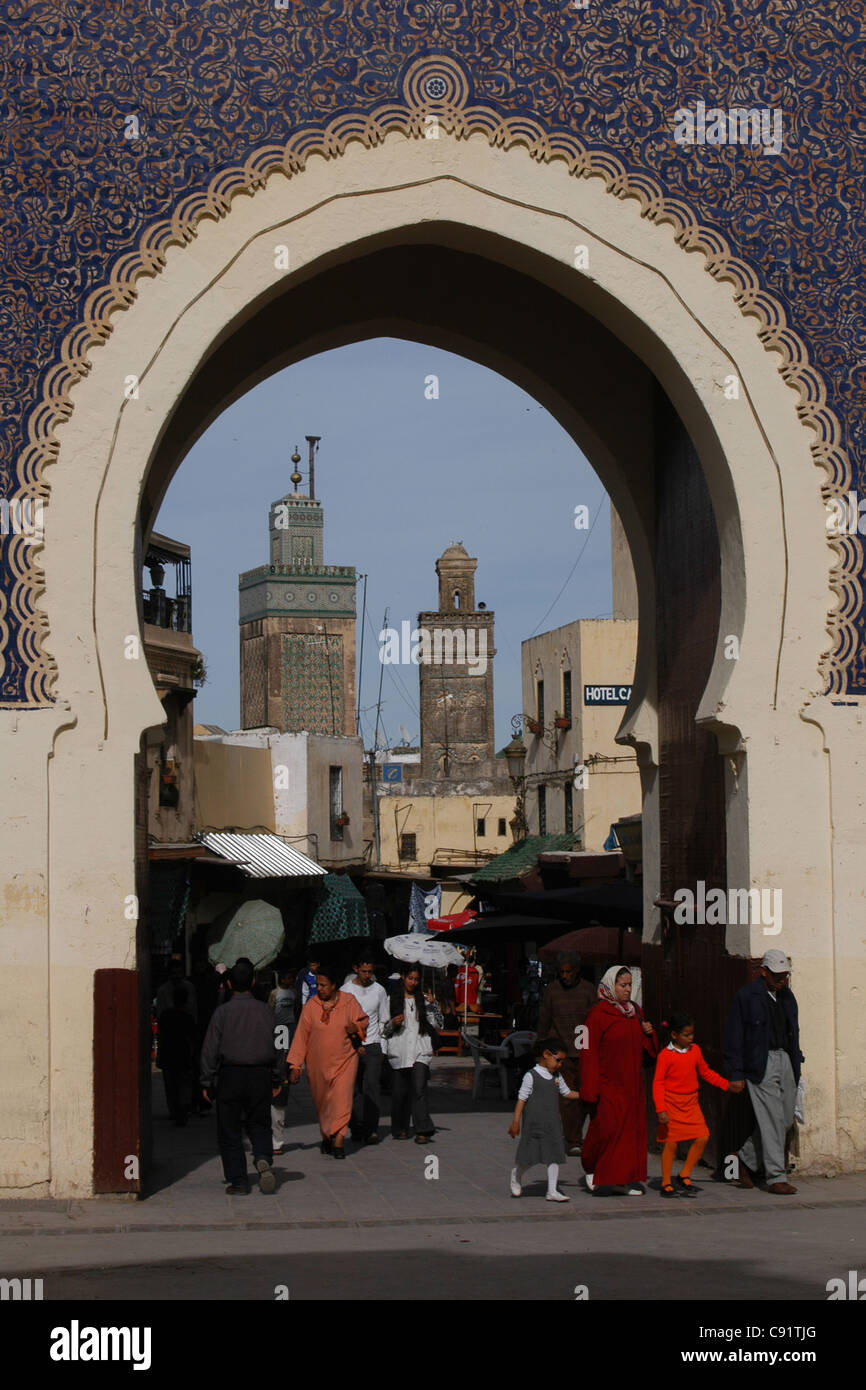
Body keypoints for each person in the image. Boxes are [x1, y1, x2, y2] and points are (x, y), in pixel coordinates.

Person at [199, 958, 283, 1195]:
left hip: (230, 1076)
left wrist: (206, 1080)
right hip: (260, 1075)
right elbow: (278, 1046)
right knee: (259, 1123)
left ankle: (239, 1181)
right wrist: (277, 1078)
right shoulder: (267, 1012)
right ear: (253, 982)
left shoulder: (222, 1013)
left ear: (229, 985)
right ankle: (263, 1156)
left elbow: (210, 1049)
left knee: (230, 1129)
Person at [723, 949, 803, 1195]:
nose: (782, 980)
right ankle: (775, 1176)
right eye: (777, 976)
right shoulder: (746, 997)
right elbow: (734, 1037)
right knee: (770, 1119)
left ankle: (743, 1159)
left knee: (786, 1118)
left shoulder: (787, 997)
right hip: (761, 1062)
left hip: (786, 1060)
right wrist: (735, 1072)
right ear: (764, 972)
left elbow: (793, 1032)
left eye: (785, 976)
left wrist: (796, 1062)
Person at [580, 965, 658, 1195]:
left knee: (628, 1133)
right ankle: (593, 1168)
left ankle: (622, 1179)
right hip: (608, 1084)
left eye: (629, 985)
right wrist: (589, 1087)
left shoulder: (634, 1012)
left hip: (632, 1086)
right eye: (622, 985)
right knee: (607, 1129)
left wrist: (649, 1032)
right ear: (610, 986)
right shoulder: (597, 1015)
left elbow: (647, 1049)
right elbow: (587, 1052)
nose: (627, 990)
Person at [653, 1010, 743, 1198]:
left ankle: (684, 1174)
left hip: (691, 1103)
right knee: (671, 1144)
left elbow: (706, 1072)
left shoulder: (695, 1051)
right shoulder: (665, 1055)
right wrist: (661, 1109)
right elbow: (658, 1083)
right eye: (686, 1035)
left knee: (702, 1137)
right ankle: (666, 1182)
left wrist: (726, 1085)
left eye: (692, 1034)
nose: (690, 1038)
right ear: (674, 1035)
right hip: (671, 1104)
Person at [287, 962, 367, 1158]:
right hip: (317, 1065)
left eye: (323, 985)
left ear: (334, 985)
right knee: (322, 1103)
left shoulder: (349, 1001)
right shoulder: (311, 1006)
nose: (320, 989)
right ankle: (326, 1135)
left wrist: (355, 1028)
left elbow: (363, 1021)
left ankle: (339, 1142)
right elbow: (301, 1037)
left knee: (342, 1098)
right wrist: (295, 1065)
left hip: (345, 1061)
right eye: (318, 985)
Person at [507, 1038, 581, 1202]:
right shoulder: (531, 1076)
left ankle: (552, 1190)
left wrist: (585, 1095)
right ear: (546, 1054)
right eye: (558, 1060)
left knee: (553, 1155)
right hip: (534, 1124)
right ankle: (517, 1174)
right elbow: (521, 1099)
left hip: (553, 1123)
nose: (559, 1064)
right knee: (530, 1156)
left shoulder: (557, 1076)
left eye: (562, 1061)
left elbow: (567, 1093)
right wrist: (516, 1122)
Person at [537, 951, 596, 1155]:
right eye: (562, 972)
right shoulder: (552, 991)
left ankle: (575, 1133)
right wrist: (541, 1047)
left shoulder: (589, 990)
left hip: (584, 1052)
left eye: (569, 972)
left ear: (577, 971)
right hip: (560, 1053)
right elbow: (544, 1019)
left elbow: (595, 1022)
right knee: (567, 1098)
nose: (565, 976)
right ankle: (572, 1140)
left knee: (585, 1098)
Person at [382, 964, 436, 1143]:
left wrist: (433, 1006)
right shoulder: (391, 1000)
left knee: (419, 1088)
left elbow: (437, 1025)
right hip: (400, 1050)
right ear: (403, 978)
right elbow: (384, 1029)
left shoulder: (424, 1000)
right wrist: (393, 1023)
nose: (413, 982)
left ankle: (423, 1129)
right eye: (410, 978)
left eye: (416, 979)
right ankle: (400, 1127)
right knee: (399, 1092)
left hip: (420, 1049)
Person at [342, 955, 390, 1145]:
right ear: (356, 969)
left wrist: (382, 1047)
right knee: (353, 1089)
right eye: (364, 971)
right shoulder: (345, 991)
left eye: (371, 972)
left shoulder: (379, 990)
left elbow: (383, 1019)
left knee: (371, 1087)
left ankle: (371, 1129)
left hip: (373, 1045)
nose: (367, 975)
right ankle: (356, 1126)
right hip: (351, 1047)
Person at [156, 986, 197, 1125]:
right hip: (183, 1054)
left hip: (168, 1054)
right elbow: (192, 1038)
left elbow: (160, 1035)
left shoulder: (165, 1016)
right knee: (183, 1085)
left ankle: (174, 1111)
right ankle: (182, 1110)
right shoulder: (188, 1017)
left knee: (171, 1085)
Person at [268, 965, 297, 1154]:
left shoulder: (293, 994)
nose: (290, 981)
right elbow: (270, 1010)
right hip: (277, 1029)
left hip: (290, 1027)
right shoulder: (274, 993)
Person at [156, 957, 197, 1023]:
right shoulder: (162, 991)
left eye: (179, 972)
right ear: (169, 974)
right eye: (174, 973)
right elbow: (160, 1015)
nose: (178, 976)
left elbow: (194, 1010)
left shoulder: (190, 987)